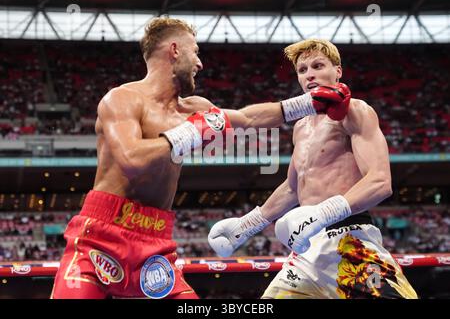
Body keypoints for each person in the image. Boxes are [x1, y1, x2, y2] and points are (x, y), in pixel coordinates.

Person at [50, 18, 349, 299]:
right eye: (195, 52)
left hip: (154, 244)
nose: (200, 63)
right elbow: (131, 159)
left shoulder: (195, 109)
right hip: (100, 237)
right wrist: (189, 133)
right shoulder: (123, 99)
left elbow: (246, 117)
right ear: (174, 50)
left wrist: (309, 102)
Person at [208, 39, 419, 299]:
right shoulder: (301, 126)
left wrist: (321, 213)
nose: (310, 74)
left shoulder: (356, 111)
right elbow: (293, 188)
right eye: (302, 69)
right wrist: (246, 225)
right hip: (306, 250)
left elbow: (379, 181)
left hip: (350, 242)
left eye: (318, 66)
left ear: (338, 71)